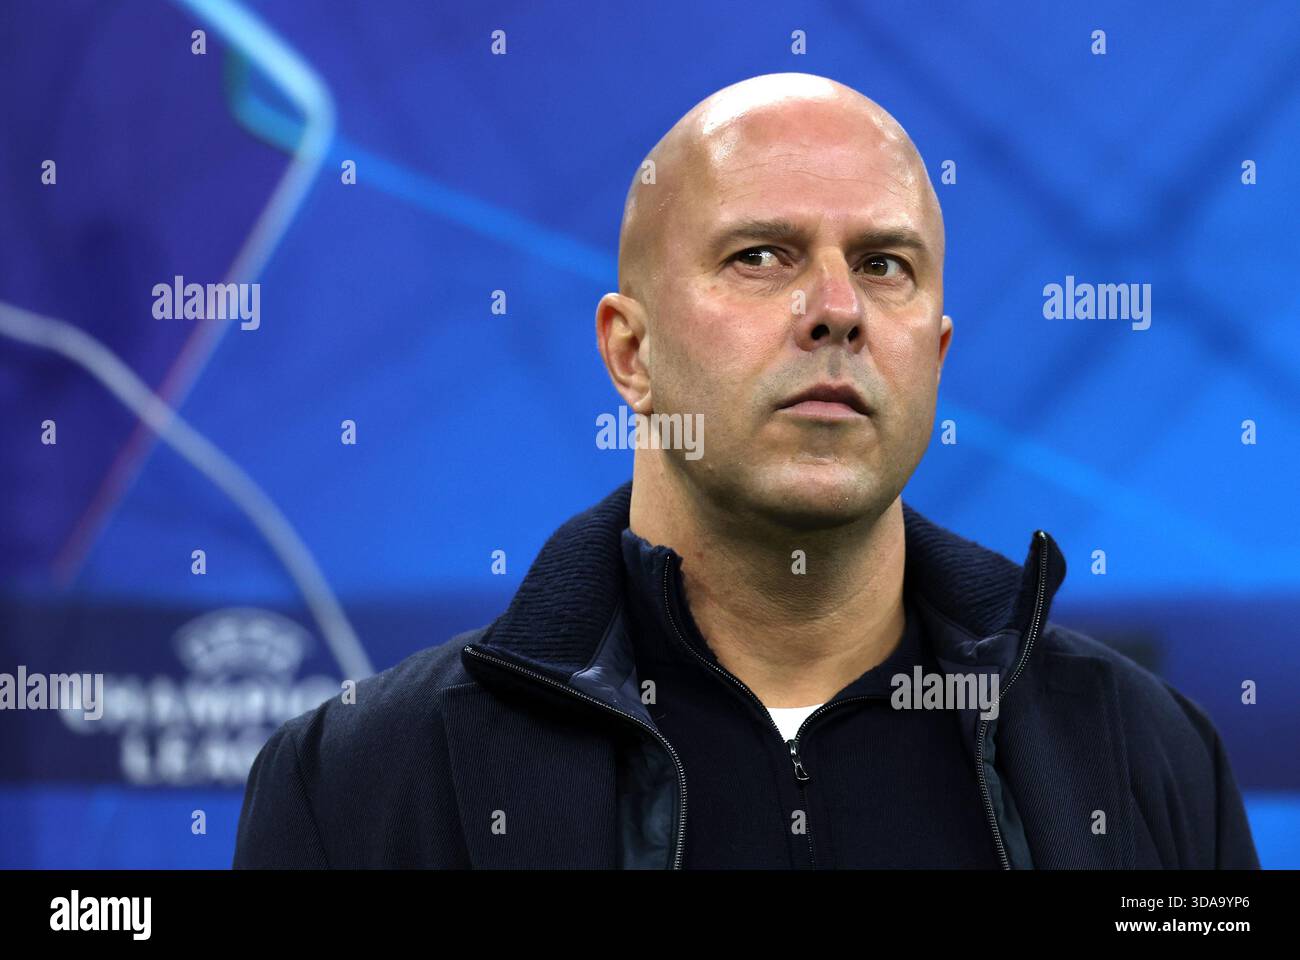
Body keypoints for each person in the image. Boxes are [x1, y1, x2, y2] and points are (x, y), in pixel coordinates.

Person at [232, 72, 1259, 869]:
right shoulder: (359, 782)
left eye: (883, 264)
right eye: (759, 255)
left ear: (934, 358)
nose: (835, 308)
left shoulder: (1147, 757)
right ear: (630, 353)